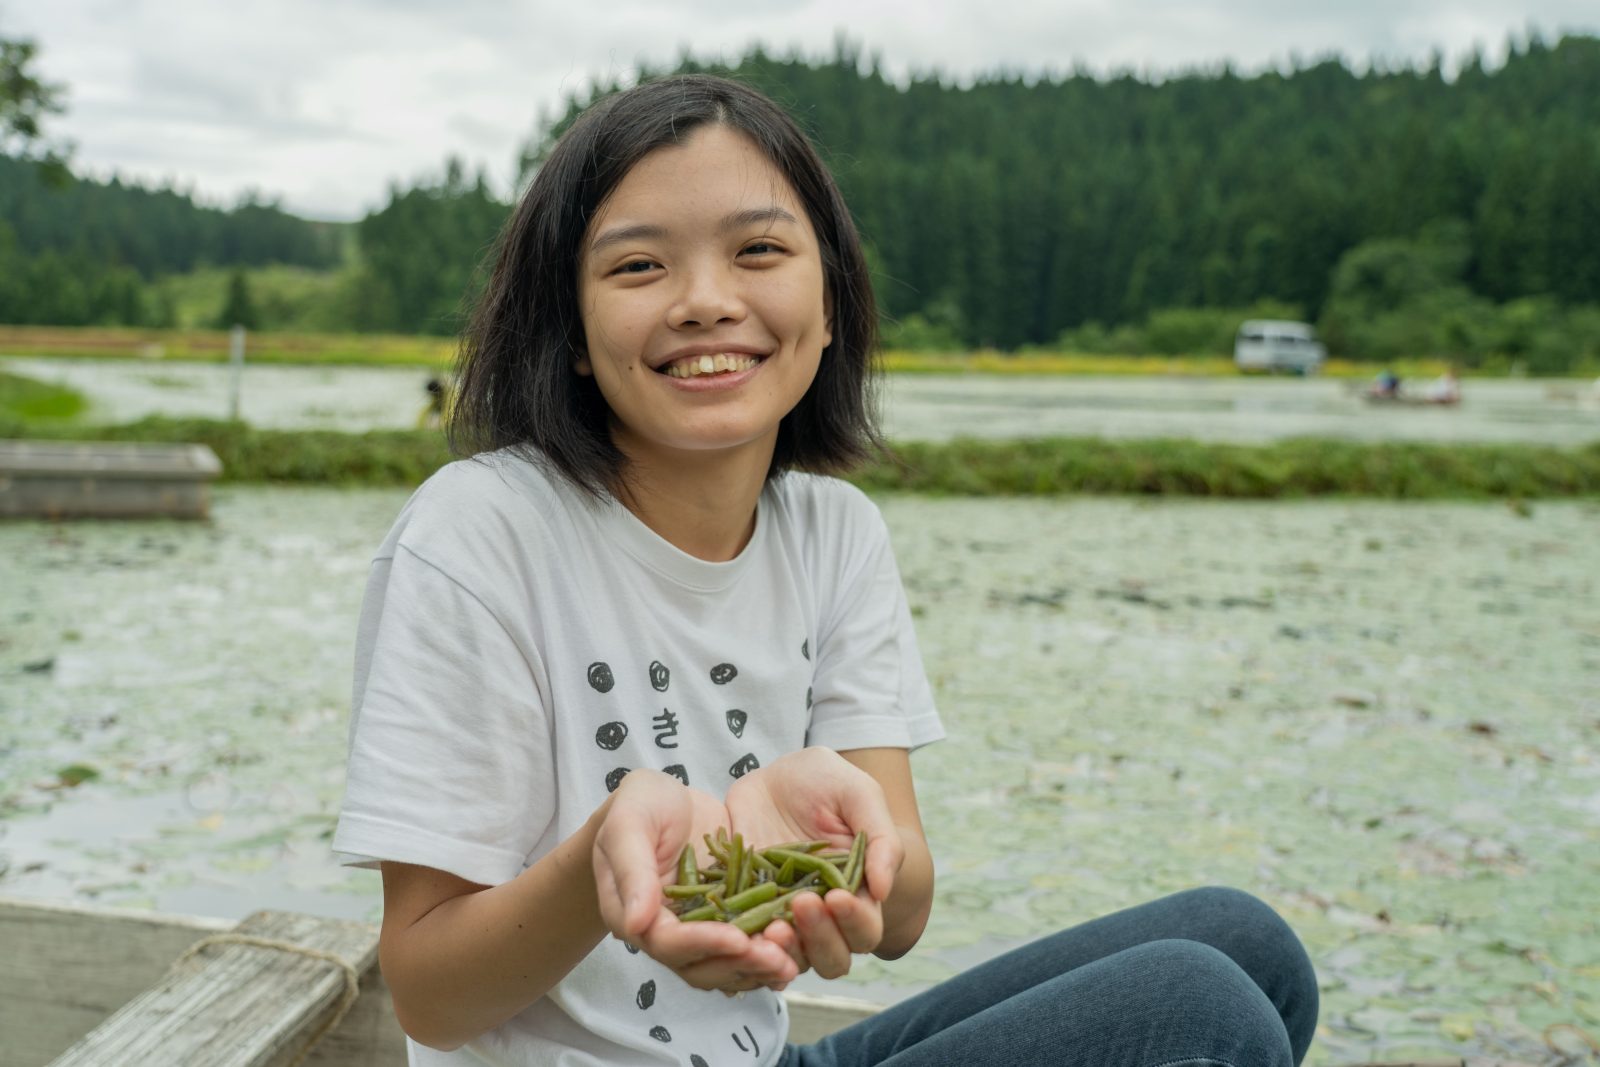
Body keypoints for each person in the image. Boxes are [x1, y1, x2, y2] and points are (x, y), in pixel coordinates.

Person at [332, 74, 1318, 1067]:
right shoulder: (478, 533)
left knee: (1247, 942)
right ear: (574, 332)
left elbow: (903, 908)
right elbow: (429, 993)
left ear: (831, 299)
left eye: (758, 250)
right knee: (1200, 1009)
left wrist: (838, 841)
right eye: (638, 266)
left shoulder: (834, 532)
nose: (706, 302)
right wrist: (601, 856)